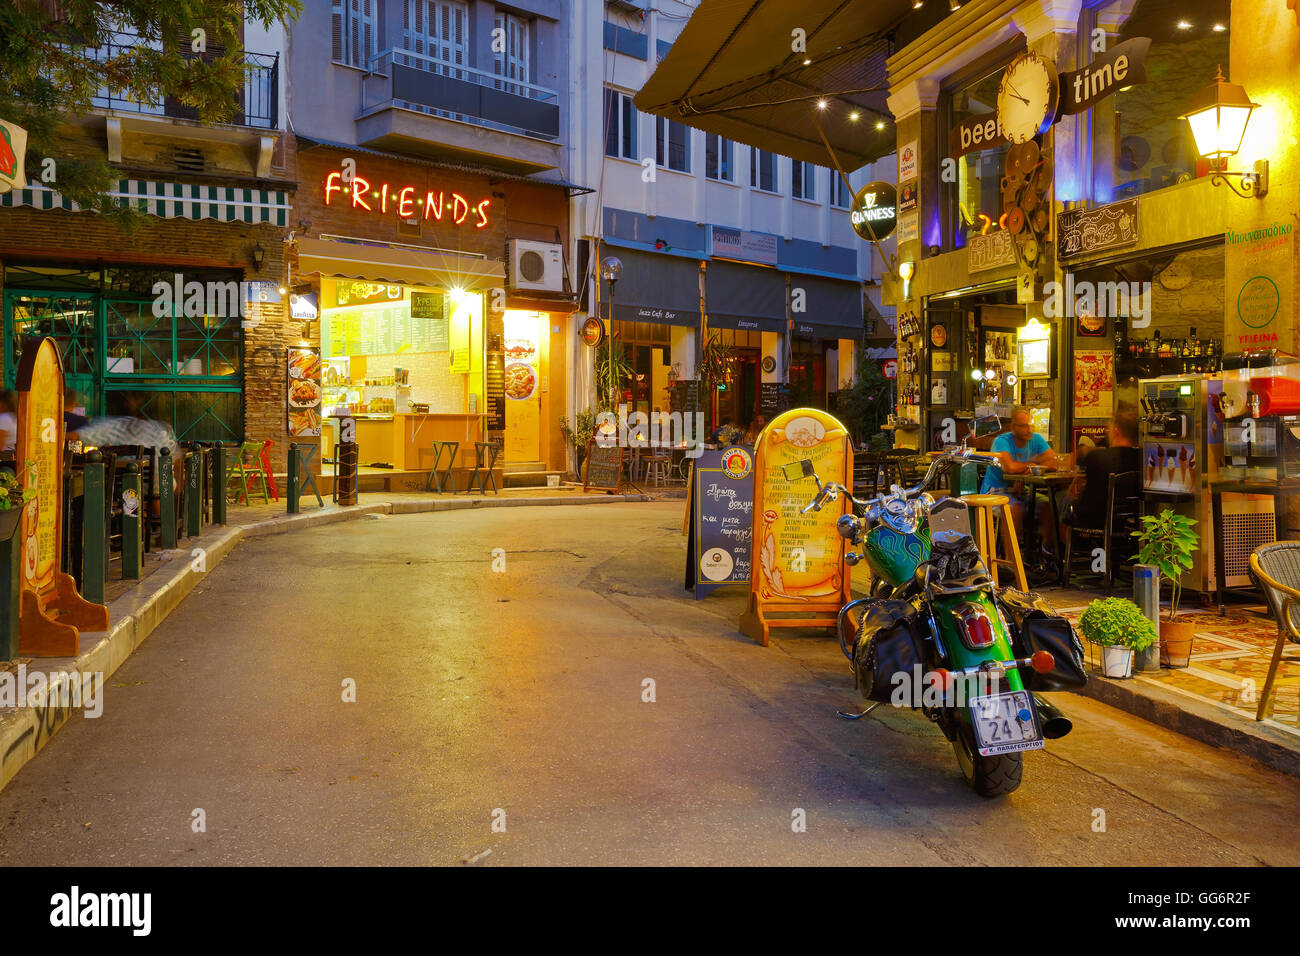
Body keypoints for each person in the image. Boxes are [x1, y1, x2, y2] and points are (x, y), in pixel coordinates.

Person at [1061, 407, 1142, 541]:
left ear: (1116, 431)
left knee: (1059, 498)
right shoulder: (1140, 459)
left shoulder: (1096, 456)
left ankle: (1059, 553)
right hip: (1125, 522)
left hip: (1092, 518)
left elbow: (1076, 469)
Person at [981, 406, 1058, 543]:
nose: (1028, 430)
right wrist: (1032, 464)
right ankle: (1012, 560)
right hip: (995, 491)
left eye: (1030, 426)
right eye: (1023, 426)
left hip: (1023, 489)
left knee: (1048, 505)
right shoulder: (1002, 441)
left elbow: (1054, 462)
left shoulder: (1036, 439)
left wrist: (1026, 468)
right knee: (1015, 508)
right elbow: (1010, 468)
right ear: (1013, 427)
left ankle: (1047, 553)